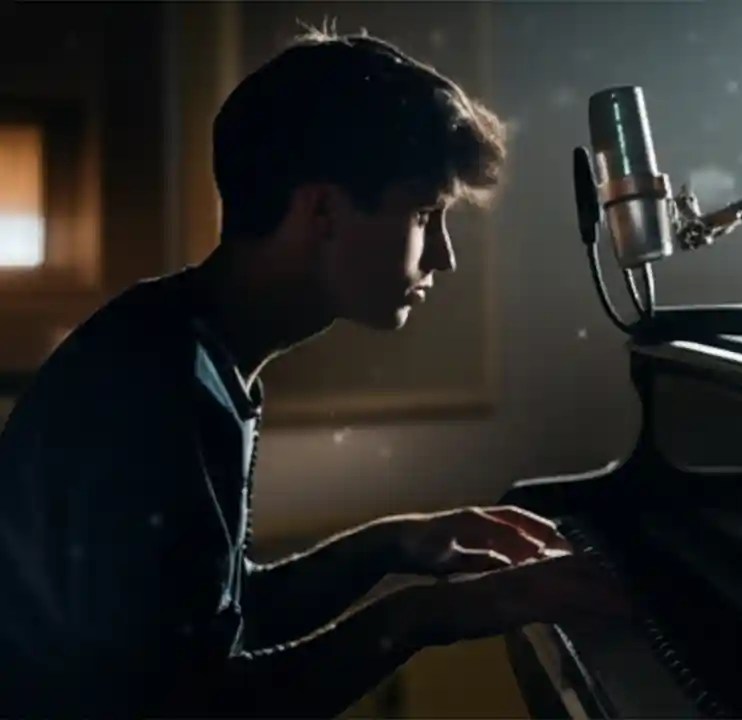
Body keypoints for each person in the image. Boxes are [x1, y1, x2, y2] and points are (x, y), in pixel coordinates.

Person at [0, 27, 627, 717]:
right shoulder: (151, 394)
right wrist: (427, 617)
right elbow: (193, 705)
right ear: (323, 210)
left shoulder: (185, 347)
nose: (443, 257)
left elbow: (207, 623)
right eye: (425, 214)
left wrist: (394, 544)